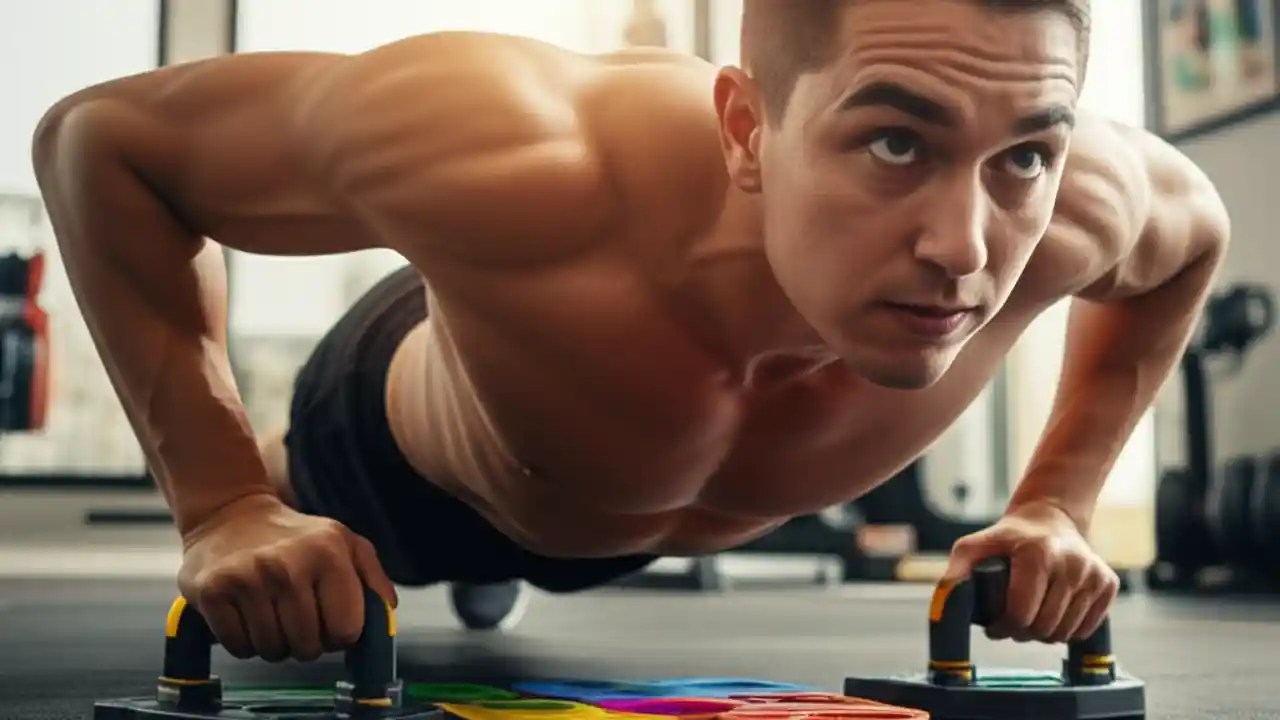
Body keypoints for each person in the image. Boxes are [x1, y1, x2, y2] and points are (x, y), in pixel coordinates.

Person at [32, 0, 1228, 664]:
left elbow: (1189, 246)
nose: (963, 250)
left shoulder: (1084, 202)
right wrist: (226, 507)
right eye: (894, 142)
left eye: (1022, 154)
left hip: (623, 506)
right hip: (404, 460)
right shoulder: (522, 149)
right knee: (311, 521)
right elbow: (101, 146)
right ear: (745, 129)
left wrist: (1055, 503)